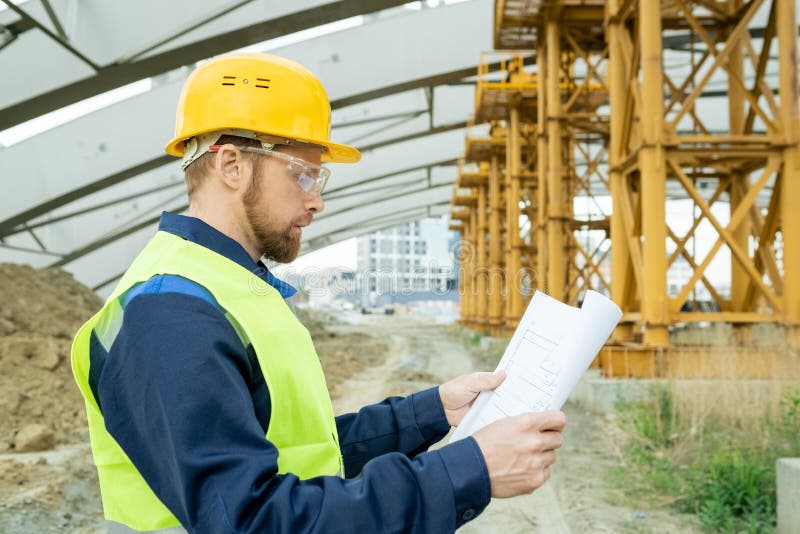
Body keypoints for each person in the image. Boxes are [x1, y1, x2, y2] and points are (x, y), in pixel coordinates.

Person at [71, 53, 566, 533]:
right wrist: (468, 470)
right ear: (232, 166)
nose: (317, 201)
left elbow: (304, 457)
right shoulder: (171, 313)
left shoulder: (228, 286)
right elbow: (253, 520)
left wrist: (433, 412)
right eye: (302, 174)